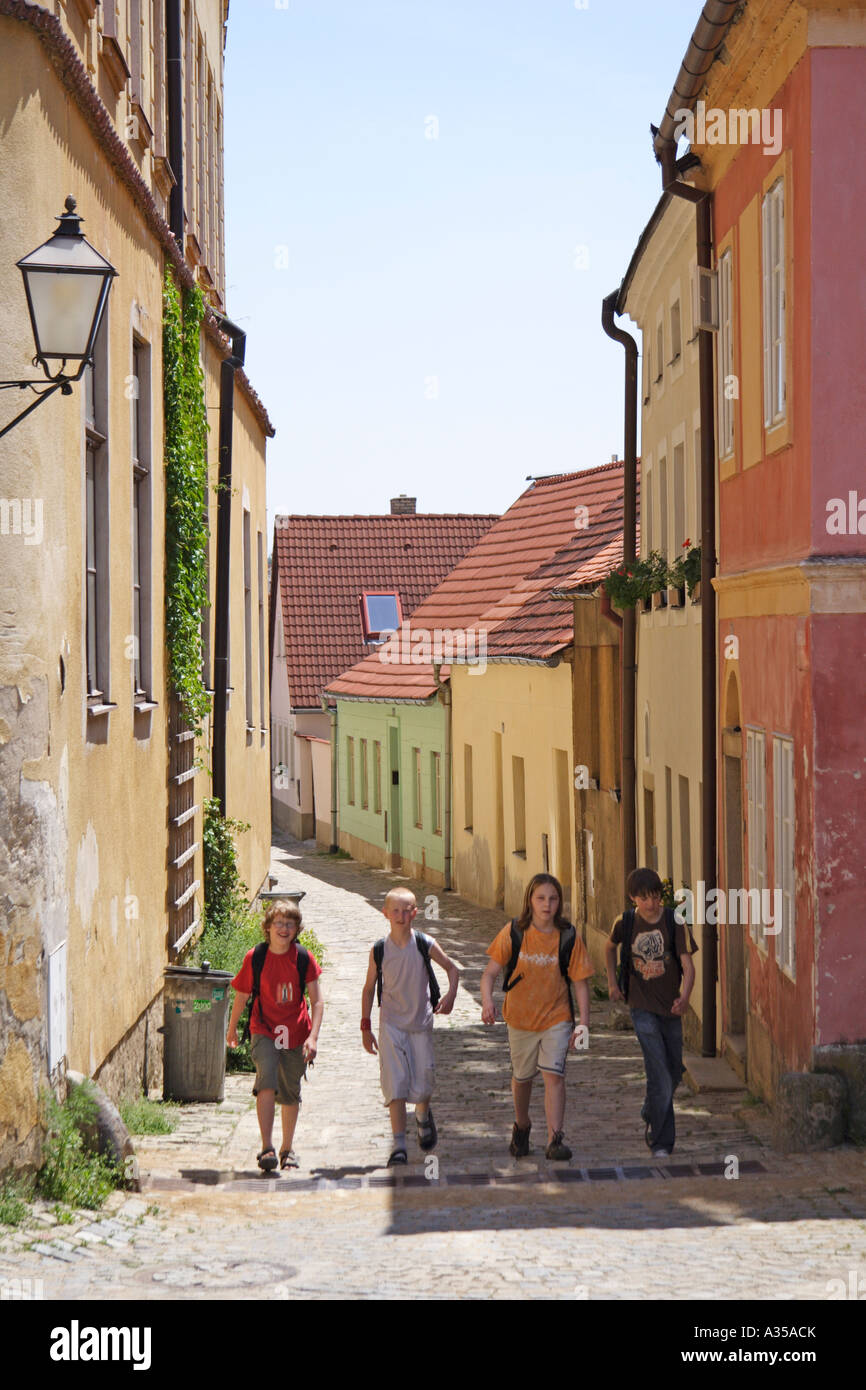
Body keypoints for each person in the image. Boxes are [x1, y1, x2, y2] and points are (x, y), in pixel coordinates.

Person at [480, 873, 592, 1161]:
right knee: (522, 1078)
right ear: (530, 900)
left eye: (553, 899)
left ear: (560, 902)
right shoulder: (514, 932)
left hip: (557, 1016)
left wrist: (583, 1024)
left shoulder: (568, 935)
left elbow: (580, 982)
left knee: (554, 1075)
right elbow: (490, 973)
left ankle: (555, 1138)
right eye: (541, 898)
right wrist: (487, 1002)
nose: (547, 904)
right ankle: (522, 1124)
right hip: (520, 1019)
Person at [361, 887, 459, 1166]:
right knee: (396, 1084)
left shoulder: (424, 943)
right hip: (391, 1025)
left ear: (416, 912)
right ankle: (399, 1145)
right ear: (385, 914)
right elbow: (368, 989)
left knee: (424, 1084)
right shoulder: (379, 950)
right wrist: (365, 1026)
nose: (402, 916)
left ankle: (422, 1115)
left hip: (421, 1022)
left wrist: (451, 995)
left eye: (408, 910)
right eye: (396, 911)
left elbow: (453, 969)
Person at [605, 866, 696, 1159]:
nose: (651, 903)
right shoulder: (626, 921)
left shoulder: (674, 920)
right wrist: (611, 982)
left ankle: (649, 1109)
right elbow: (609, 947)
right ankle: (661, 1141)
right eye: (644, 898)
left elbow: (688, 965)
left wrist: (685, 996)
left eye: (655, 897)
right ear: (633, 898)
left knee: (673, 1073)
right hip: (641, 1006)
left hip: (670, 1006)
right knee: (659, 1073)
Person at [227, 900, 323, 1172]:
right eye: (278, 923)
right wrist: (232, 1027)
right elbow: (242, 995)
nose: (284, 928)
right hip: (264, 1028)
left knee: (291, 1090)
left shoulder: (303, 958)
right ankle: (267, 1147)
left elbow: (317, 1001)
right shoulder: (255, 957)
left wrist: (313, 1037)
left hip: (296, 1032)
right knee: (266, 1080)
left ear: (296, 929)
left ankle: (287, 1149)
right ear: (267, 928)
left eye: (289, 924)